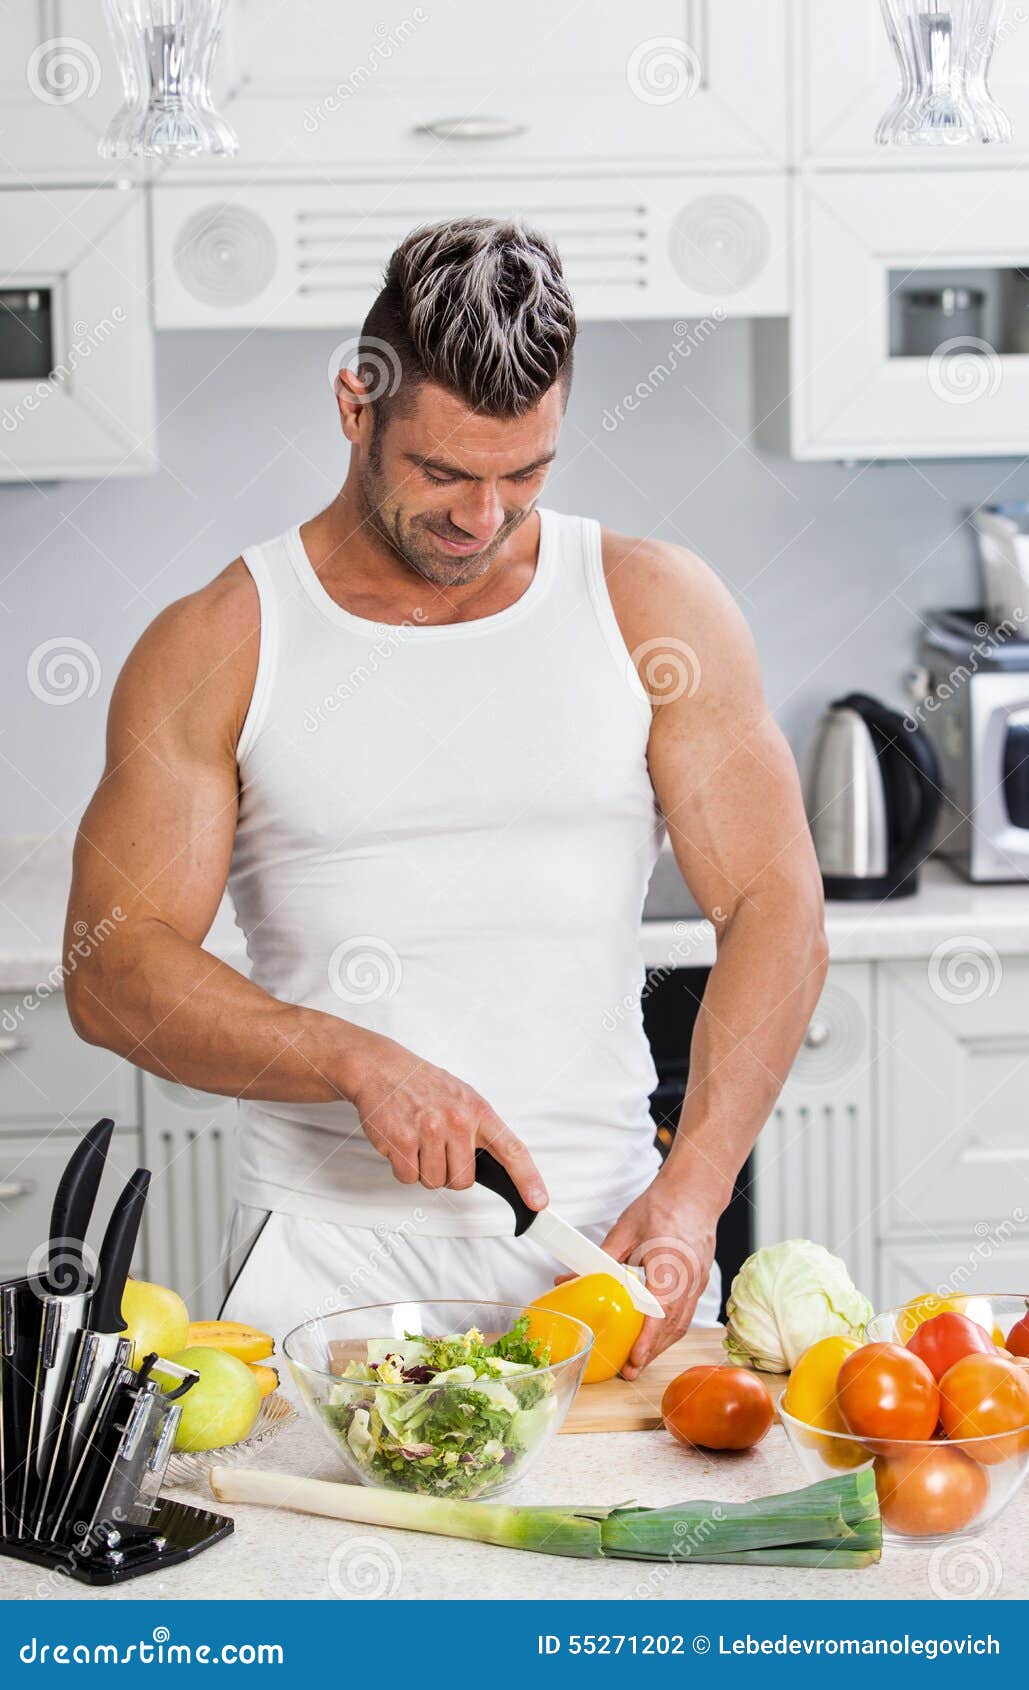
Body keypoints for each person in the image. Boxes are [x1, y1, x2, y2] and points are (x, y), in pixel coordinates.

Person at [65, 217, 827, 1374]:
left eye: (525, 474)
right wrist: (354, 1060)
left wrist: (694, 1194)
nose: (484, 517)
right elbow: (112, 970)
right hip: (323, 1267)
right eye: (445, 473)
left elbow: (776, 907)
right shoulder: (220, 641)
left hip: (606, 1250)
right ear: (356, 407)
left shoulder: (655, 606)